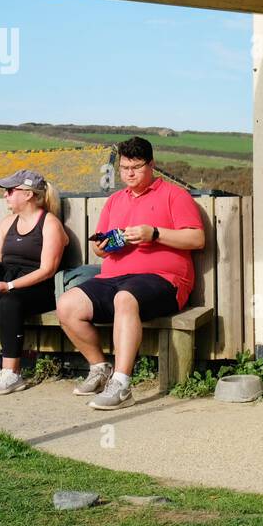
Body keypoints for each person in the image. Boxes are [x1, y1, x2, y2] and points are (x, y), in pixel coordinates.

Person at [55, 138, 204, 410]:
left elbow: (196, 239)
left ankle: (122, 385)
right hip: (112, 278)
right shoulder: (114, 201)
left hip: (164, 280)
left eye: (136, 167)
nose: (129, 174)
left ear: (152, 165)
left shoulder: (174, 195)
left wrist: (154, 234)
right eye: (124, 168)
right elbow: (100, 251)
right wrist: (104, 245)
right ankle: (100, 368)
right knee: (67, 304)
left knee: (125, 298)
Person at [0, 170, 67, 396]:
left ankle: (11, 373)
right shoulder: (8, 222)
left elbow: (47, 270)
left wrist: (9, 286)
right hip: (6, 284)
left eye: (9, 191)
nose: (5, 196)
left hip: (39, 289)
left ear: (27, 194)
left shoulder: (50, 224)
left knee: (9, 303)